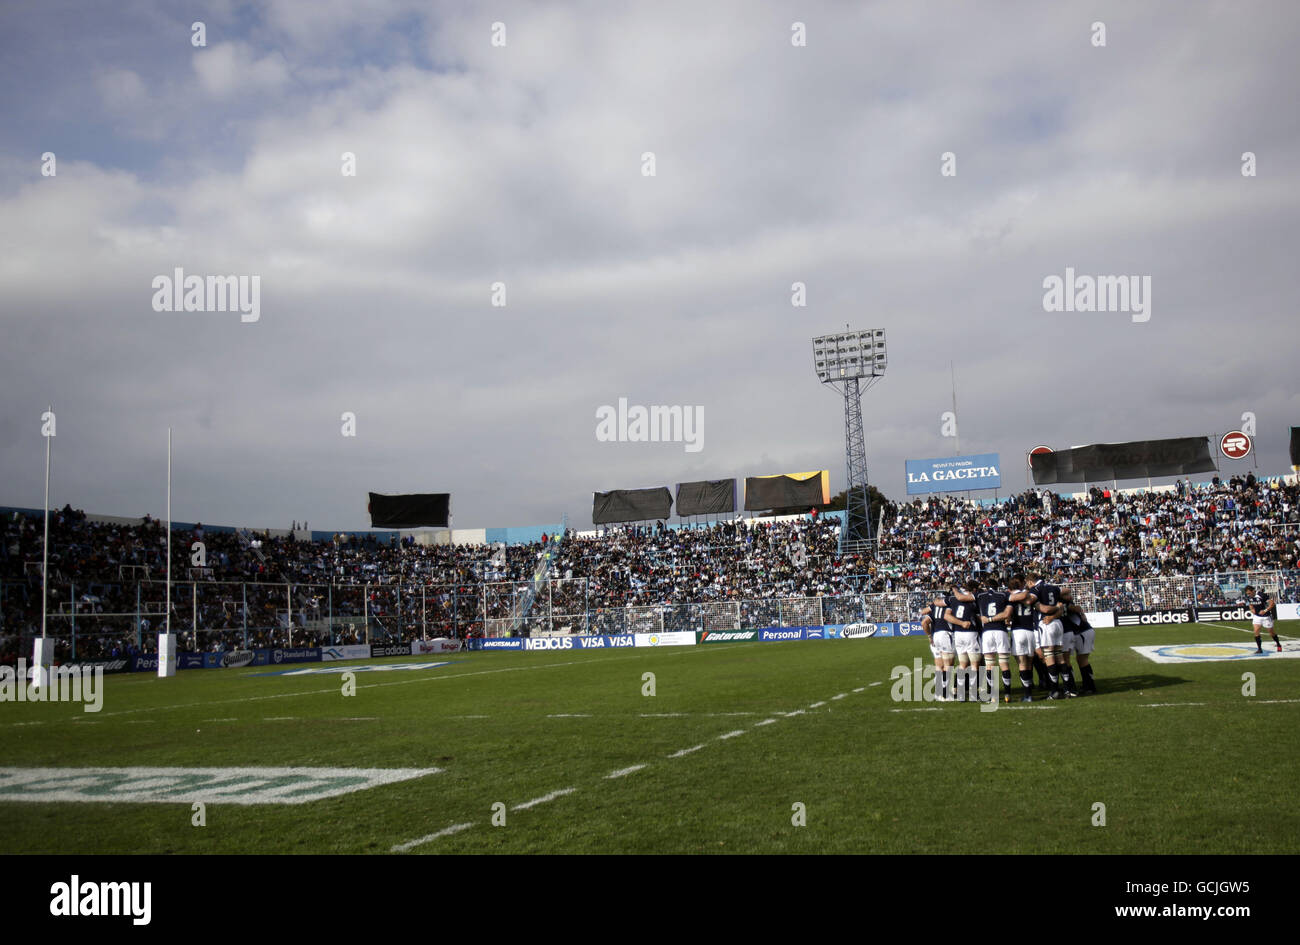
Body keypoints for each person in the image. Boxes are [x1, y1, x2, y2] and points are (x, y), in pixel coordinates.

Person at [1243, 585, 1281, 653]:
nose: (1248, 595)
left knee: (1271, 633)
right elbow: (1250, 604)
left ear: (1253, 591)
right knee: (1256, 632)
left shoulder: (1261, 595)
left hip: (1266, 617)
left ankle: (1278, 644)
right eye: (1247, 593)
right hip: (1257, 617)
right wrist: (1251, 610)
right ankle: (1259, 649)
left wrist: (1265, 610)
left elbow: (1272, 603)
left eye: (1249, 593)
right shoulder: (1249, 597)